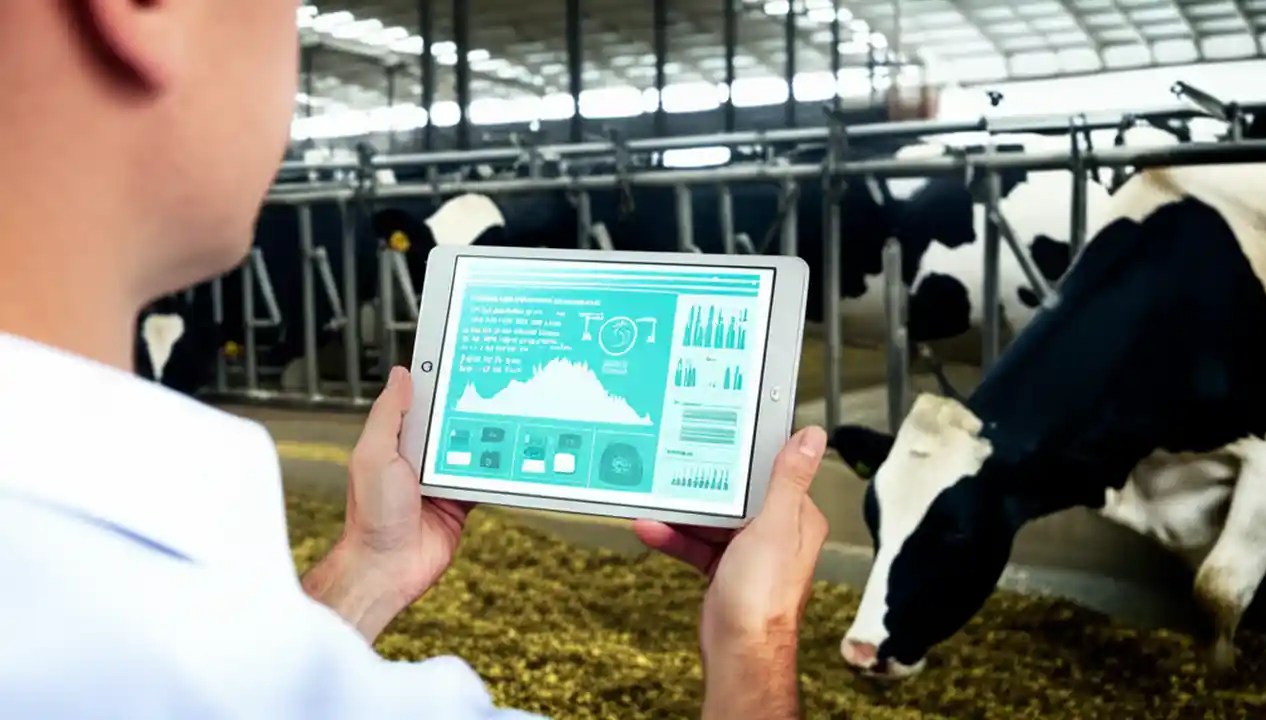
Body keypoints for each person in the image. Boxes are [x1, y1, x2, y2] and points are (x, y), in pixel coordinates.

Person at [0, 2, 830, 718]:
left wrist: (369, 565)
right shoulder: (151, 642)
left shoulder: (114, 595)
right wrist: (755, 644)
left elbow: (256, 679)